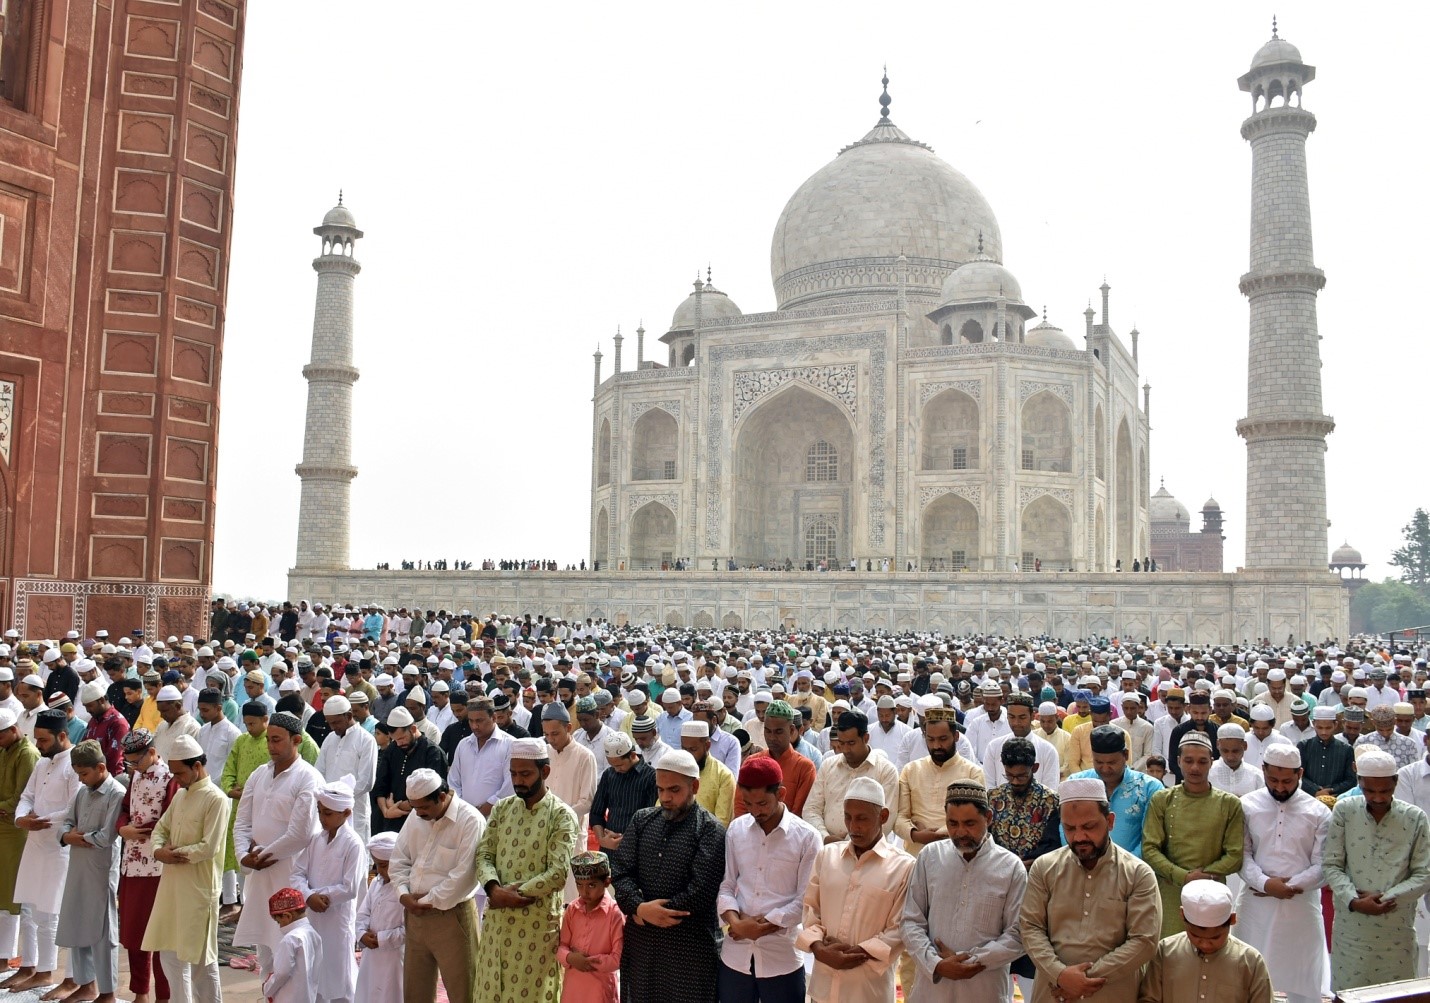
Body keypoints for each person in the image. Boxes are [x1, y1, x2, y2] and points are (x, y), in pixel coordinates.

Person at [1020, 778, 1162, 1003]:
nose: (1079, 837)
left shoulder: (1138, 874)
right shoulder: (1045, 867)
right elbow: (1030, 928)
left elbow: (1144, 941)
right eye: (1069, 828)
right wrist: (1059, 974)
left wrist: (1080, 980)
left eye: (1089, 826)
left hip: (1111, 993)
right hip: (1053, 991)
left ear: (1110, 821)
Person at [611, 748, 726, 1003]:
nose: (665, 797)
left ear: (694, 786)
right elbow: (620, 872)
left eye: (674, 790)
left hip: (689, 948)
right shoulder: (642, 820)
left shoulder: (710, 830)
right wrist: (640, 908)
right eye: (661, 790)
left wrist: (651, 913)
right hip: (643, 943)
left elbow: (701, 891)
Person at [901, 779, 1027, 1002]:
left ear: (988, 817)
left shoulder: (1011, 867)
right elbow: (911, 921)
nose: (960, 832)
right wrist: (936, 963)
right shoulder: (930, 856)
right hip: (932, 991)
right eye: (952, 823)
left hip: (984, 991)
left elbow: (1018, 935)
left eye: (969, 823)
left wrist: (971, 961)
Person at [474, 737, 578, 1003]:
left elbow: (557, 873)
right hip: (497, 923)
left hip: (535, 926)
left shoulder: (562, 815)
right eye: (513, 773)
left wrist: (511, 895)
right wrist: (493, 889)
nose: (518, 780)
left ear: (544, 772)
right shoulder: (502, 808)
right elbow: (484, 854)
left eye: (525, 774)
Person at [797, 775, 914, 1003]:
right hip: (824, 987)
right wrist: (820, 949)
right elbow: (811, 909)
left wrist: (853, 954)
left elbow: (900, 930)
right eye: (848, 818)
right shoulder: (827, 856)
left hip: (868, 990)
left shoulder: (904, 866)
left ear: (883, 817)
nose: (853, 827)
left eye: (862, 819)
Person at [1323, 749, 1430, 992]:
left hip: (1396, 928)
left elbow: (1425, 873)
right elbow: (1331, 864)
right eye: (1370, 790)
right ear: (1359, 782)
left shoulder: (1415, 818)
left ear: (1396, 782)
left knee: (1396, 994)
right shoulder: (1345, 810)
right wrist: (1353, 900)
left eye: (1385, 791)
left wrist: (1387, 898)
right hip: (1352, 930)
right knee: (1350, 992)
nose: (1378, 798)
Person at [717, 755, 822, 1003]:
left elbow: (805, 901)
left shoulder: (807, 838)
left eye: (762, 803)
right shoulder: (736, 830)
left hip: (781, 957)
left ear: (781, 794)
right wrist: (737, 923)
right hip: (735, 956)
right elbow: (727, 885)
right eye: (748, 803)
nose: (755, 811)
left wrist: (760, 927)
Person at [232, 710, 322, 985]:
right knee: (265, 948)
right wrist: (244, 857)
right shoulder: (260, 774)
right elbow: (241, 822)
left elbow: (300, 833)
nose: (271, 746)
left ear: (296, 740)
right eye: (269, 740)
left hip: (291, 873)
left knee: (291, 946)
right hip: (260, 876)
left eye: (277, 740)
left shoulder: (309, 777)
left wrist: (262, 854)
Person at [1236, 743, 1330, 1003]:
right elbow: (1242, 855)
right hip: (1257, 902)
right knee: (1249, 973)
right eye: (1273, 779)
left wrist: (1290, 886)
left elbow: (1323, 864)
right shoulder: (1246, 805)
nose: (1279, 787)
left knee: (1304, 976)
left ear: (1300, 774)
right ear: (1263, 770)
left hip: (1301, 904)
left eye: (1287, 781)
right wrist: (1266, 884)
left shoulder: (1318, 812)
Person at [141, 732, 230, 1003]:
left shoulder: (216, 798)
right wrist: (158, 850)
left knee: (202, 962)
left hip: (199, 888)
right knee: (170, 955)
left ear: (197, 767)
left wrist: (173, 853)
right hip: (172, 887)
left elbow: (208, 847)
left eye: (179, 773)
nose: (175, 779)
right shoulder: (180, 796)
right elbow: (160, 828)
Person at [388, 767, 483, 1002]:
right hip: (415, 914)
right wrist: (403, 894)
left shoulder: (470, 820)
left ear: (442, 797)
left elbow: (464, 876)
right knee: (415, 992)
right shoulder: (417, 815)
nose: (418, 813)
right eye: (415, 807)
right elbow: (399, 859)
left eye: (424, 808)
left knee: (464, 992)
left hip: (451, 917)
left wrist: (425, 901)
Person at [1142, 731, 1244, 936]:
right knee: (1169, 954)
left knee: (1211, 950)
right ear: (1178, 761)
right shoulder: (1162, 799)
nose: (1195, 767)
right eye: (1188, 761)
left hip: (1213, 893)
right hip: (1171, 892)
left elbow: (1235, 856)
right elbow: (1150, 849)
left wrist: (1201, 878)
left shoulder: (1229, 803)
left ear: (1211, 763)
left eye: (1202, 761)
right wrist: (1184, 876)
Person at [10, 707, 79, 995]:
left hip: (57, 847)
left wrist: (41, 821)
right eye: (37, 740)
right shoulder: (42, 763)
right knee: (30, 908)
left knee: (50, 914)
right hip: (35, 843)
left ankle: (47, 972)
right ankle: (33, 966)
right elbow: (27, 796)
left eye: (43, 740)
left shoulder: (76, 764)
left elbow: (74, 807)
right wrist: (21, 818)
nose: (38, 745)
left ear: (62, 736)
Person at [55, 739, 125, 1003]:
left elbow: (107, 836)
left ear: (100, 767)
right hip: (78, 868)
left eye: (84, 774)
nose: (81, 779)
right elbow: (66, 823)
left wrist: (78, 837)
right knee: (78, 922)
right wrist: (68, 836)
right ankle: (86, 985)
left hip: (100, 869)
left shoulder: (116, 793)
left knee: (103, 931)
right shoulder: (83, 792)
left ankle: (108, 992)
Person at [290, 777, 366, 1003]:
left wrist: (321, 896)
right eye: (320, 812)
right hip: (312, 916)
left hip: (337, 919)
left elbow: (350, 888)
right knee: (315, 970)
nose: (322, 818)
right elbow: (297, 874)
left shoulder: (353, 844)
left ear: (347, 813)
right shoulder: (316, 840)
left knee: (339, 973)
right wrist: (308, 896)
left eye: (328, 813)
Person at [117, 728, 178, 1003]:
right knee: (133, 931)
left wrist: (141, 831)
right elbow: (124, 809)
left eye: (135, 761)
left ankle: (163, 996)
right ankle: (140, 992)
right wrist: (123, 830)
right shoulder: (137, 777)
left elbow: (169, 819)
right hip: (132, 863)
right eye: (128, 762)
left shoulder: (169, 778)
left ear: (152, 753)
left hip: (156, 866)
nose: (131, 767)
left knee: (158, 933)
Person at [1138, 880, 1273, 1003]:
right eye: (1195, 936)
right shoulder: (1165, 951)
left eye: (1215, 938)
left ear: (1232, 920)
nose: (1205, 944)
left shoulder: (1250, 961)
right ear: (1182, 915)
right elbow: (1149, 999)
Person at [895, 706, 985, 854]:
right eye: (930, 739)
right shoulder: (910, 770)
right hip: (914, 853)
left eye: (943, 739)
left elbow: (975, 819)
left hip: (956, 853)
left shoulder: (972, 772)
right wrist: (916, 835)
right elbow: (900, 818)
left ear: (956, 736)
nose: (936, 746)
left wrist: (935, 836)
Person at [802, 709, 900, 842]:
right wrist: (825, 837)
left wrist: (847, 843)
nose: (845, 749)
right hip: (826, 848)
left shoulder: (886, 771)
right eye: (841, 743)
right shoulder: (828, 766)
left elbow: (886, 820)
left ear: (865, 738)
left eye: (851, 743)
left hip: (869, 851)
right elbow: (811, 809)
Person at [1067, 724, 1162, 856]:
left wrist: (1124, 866)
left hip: (1132, 870)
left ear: (1126, 755)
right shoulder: (1076, 783)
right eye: (1099, 762)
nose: (1105, 769)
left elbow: (1150, 839)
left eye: (1111, 763)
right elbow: (1064, 828)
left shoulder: (1149, 787)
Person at [216, 701, 272, 923]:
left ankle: (257, 907)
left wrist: (252, 793)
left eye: (253, 723)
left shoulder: (271, 742)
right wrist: (230, 788)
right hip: (240, 806)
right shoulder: (241, 740)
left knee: (258, 852)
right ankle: (242, 904)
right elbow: (229, 768)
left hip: (263, 807)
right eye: (247, 723)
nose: (249, 727)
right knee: (239, 852)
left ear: (265, 720)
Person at [558, 851, 623, 1003]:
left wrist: (587, 962)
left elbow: (618, 959)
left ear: (607, 882)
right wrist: (570, 957)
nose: (584, 892)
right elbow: (561, 946)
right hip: (572, 989)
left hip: (600, 990)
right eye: (579, 885)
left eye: (591, 885)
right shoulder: (572, 909)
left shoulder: (615, 914)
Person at [0, 707, 36, 976]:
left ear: (13, 730)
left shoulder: (27, 754)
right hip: (3, 826)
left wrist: (4, 808)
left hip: (16, 832)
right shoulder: (5, 751)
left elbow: (21, 798)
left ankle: (10, 957)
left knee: (13, 896)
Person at [733, 700, 815, 817]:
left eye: (778, 732)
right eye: (768, 731)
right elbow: (741, 807)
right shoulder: (752, 762)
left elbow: (798, 813)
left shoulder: (804, 767)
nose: (772, 738)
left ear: (791, 730)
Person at [314, 694, 378, 844]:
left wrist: (338, 801)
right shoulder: (330, 738)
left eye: (336, 722)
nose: (333, 727)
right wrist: (326, 800)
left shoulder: (366, 740)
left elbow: (366, 782)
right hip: (328, 810)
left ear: (349, 715)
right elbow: (319, 772)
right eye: (330, 723)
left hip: (354, 811)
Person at [988, 737, 1061, 866]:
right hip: (997, 868)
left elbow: (1052, 845)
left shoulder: (1051, 801)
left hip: (1035, 871)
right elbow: (986, 838)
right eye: (1009, 775)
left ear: (1035, 768)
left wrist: (1029, 864)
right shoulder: (993, 797)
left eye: (1021, 776)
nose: (1015, 782)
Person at [354, 831, 403, 1003]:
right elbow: (363, 913)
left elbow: (410, 929)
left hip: (396, 958)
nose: (379, 871)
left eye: (384, 865)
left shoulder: (407, 889)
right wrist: (361, 933)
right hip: (371, 957)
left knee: (392, 994)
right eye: (377, 865)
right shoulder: (376, 883)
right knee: (370, 993)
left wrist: (381, 939)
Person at [590, 731, 657, 851]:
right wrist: (602, 840)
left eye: (620, 765)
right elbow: (596, 813)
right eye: (613, 766)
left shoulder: (651, 777)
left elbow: (651, 819)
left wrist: (626, 841)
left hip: (638, 849)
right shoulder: (609, 775)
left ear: (632, 755)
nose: (616, 770)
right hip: (609, 846)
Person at [262, 886, 321, 1003]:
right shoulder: (314, 934)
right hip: (308, 997)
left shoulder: (290, 939)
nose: (279, 926)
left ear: (287, 916)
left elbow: (281, 973)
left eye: (279, 922)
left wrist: (267, 988)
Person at [1298, 706, 1355, 797]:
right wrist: (1315, 790)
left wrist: (1332, 790)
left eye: (1328, 728)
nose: (1323, 732)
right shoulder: (1304, 746)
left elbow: (1351, 780)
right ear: (1313, 724)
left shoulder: (1346, 749)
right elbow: (1298, 774)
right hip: (1308, 798)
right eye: (1319, 728)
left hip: (1337, 798)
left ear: (1335, 725)